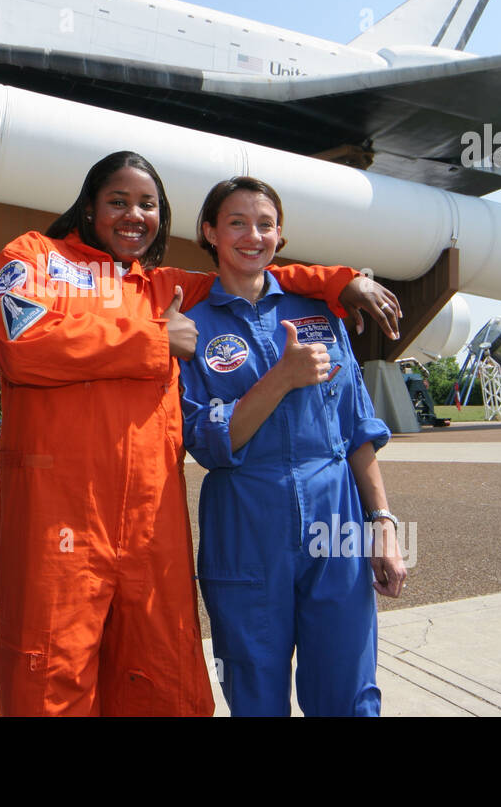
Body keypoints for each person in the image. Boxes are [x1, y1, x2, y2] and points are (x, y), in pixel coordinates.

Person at [0, 150, 401, 716]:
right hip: (57, 517)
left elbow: (251, 269)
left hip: (151, 523)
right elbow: (21, 342)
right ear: (88, 207)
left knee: (159, 677)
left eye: (148, 205)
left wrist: (341, 281)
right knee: (49, 674)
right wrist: (153, 342)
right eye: (118, 202)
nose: (134, 215)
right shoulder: (36, 258)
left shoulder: (165, 288)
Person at [179, 177, 407, 716]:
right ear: (210, 232)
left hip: (337, 521)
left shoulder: (321, 314)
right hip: (244, 526)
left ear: (280, 236)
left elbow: (357, 428)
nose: (252, 236)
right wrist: (281, 377)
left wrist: (383, 522)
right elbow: (211, 444)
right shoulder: (190, 328)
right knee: (255, 692)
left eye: (265, 224)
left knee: (349, 690)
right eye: (236, 222)